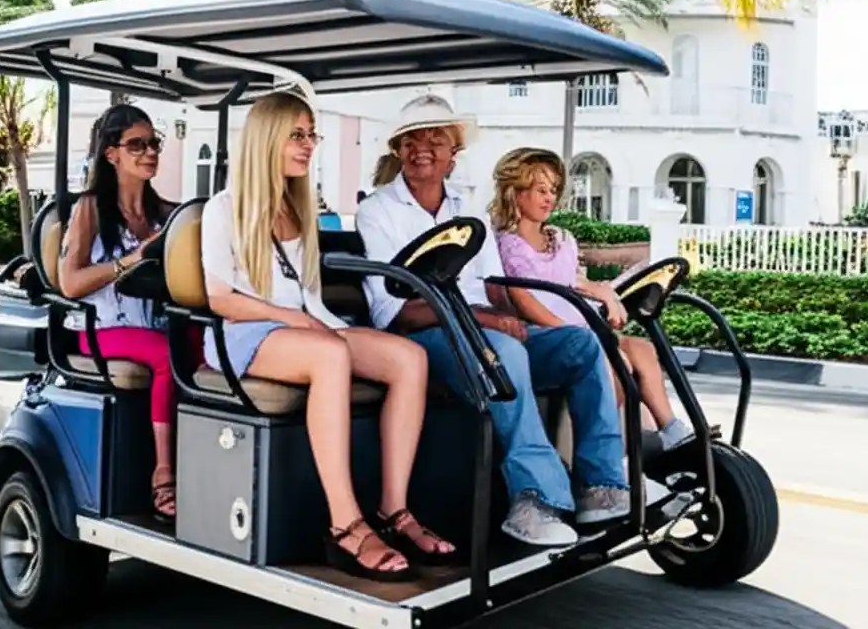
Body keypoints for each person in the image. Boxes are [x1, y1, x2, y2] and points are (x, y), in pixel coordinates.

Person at [199, 89, 455, 581]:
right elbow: (221, 298)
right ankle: (345, 524)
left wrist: (337, 328)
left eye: (311, 134)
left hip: (300, 329)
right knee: (330, 356)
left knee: (407, 359)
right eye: (297, 134)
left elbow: (309, 297)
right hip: (241, 334)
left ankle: (393, 510)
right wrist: (308, 326)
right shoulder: (222, 208)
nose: (309, 144)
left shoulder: (297, 210)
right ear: (267, 137)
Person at [355, 94, 630, 548]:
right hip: (427, 336)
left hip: (482, 331)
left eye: (435, 139)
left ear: (453, 153)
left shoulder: (469, 208)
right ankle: (534, 497)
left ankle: (600, 485)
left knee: (582, 346)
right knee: (499, 350)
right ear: (398, 150)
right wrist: (486, 321)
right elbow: (396, 310)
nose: (422, 147)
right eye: (411, 139)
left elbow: (488, 284)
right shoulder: (378, 210)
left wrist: (513, 314)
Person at [489, 148, 693, 451]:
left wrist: (606, 294)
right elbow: (524, 299)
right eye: (540, 190)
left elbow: (570, 279)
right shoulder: (509, 245)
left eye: (553, 191)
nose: (549, 198)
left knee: (642, 348)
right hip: (549, 334)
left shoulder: (560, 239)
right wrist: (569, 331)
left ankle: (672, 432)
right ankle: (609, 453)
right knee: (615, 364)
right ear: (516, 194)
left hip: (579, 325)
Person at [58, 104, 198, 523]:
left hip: (150, 324)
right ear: (111, 154)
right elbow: (70, 282)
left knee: (204, 344)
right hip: (99, 329)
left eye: (154, 143)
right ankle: (163, 473)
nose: (149, 152)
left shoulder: (165, 213)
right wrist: (130, 260)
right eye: (136, 144)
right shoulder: (90, 209)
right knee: (163, 353)